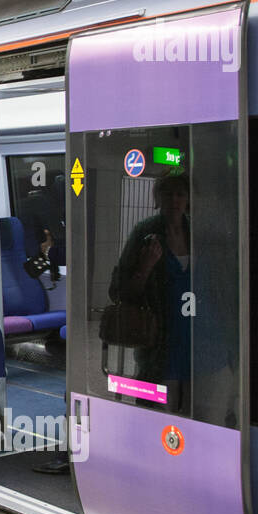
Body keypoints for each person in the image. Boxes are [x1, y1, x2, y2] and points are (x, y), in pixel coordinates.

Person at [108, 172, 191, 403]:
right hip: (158, 344)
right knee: (154, 411)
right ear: (157, 198)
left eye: (180, 194)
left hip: (194, 341)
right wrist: (145, 267)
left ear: (188, 199)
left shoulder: (197, 234)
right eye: (167, 194)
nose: (174, 200)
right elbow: (119, 291)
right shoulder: (145, 233)